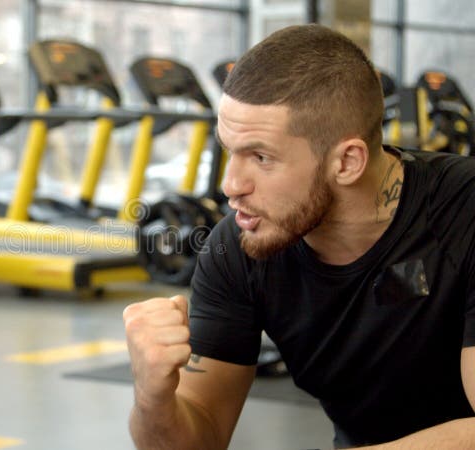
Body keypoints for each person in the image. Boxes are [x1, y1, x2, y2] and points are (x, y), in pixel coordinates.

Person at [124, 24, 475, 449]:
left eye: (261, 156)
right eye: (229, 151)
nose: (231, 184)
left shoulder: (464, 211)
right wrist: (152, 396)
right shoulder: (235, 247)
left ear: (346, 162)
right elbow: (200, 438)